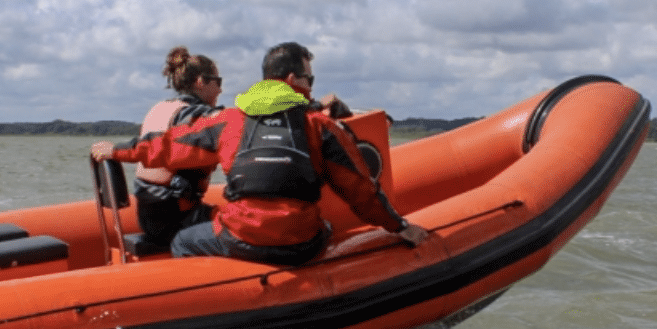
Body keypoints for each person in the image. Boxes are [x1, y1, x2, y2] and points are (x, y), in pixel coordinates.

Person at [91, 42, 430, 265]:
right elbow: (360, 190)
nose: (312, 85)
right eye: (310, 78)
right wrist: (398, 226)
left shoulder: (230, 121)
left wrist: (115, 151)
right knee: (324, 227)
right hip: (301, 245)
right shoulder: (321, 126)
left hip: (242, 236)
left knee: (182, 242)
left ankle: (213, 316)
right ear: (294, 78)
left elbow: (164, 147)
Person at [117, 47, 224, 255]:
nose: (220, 90)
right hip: (178, 220)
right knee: (241, 228)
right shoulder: (195, 116)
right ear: (201, 81)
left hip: (149, 216)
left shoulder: (160, 108)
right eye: (217, 82)